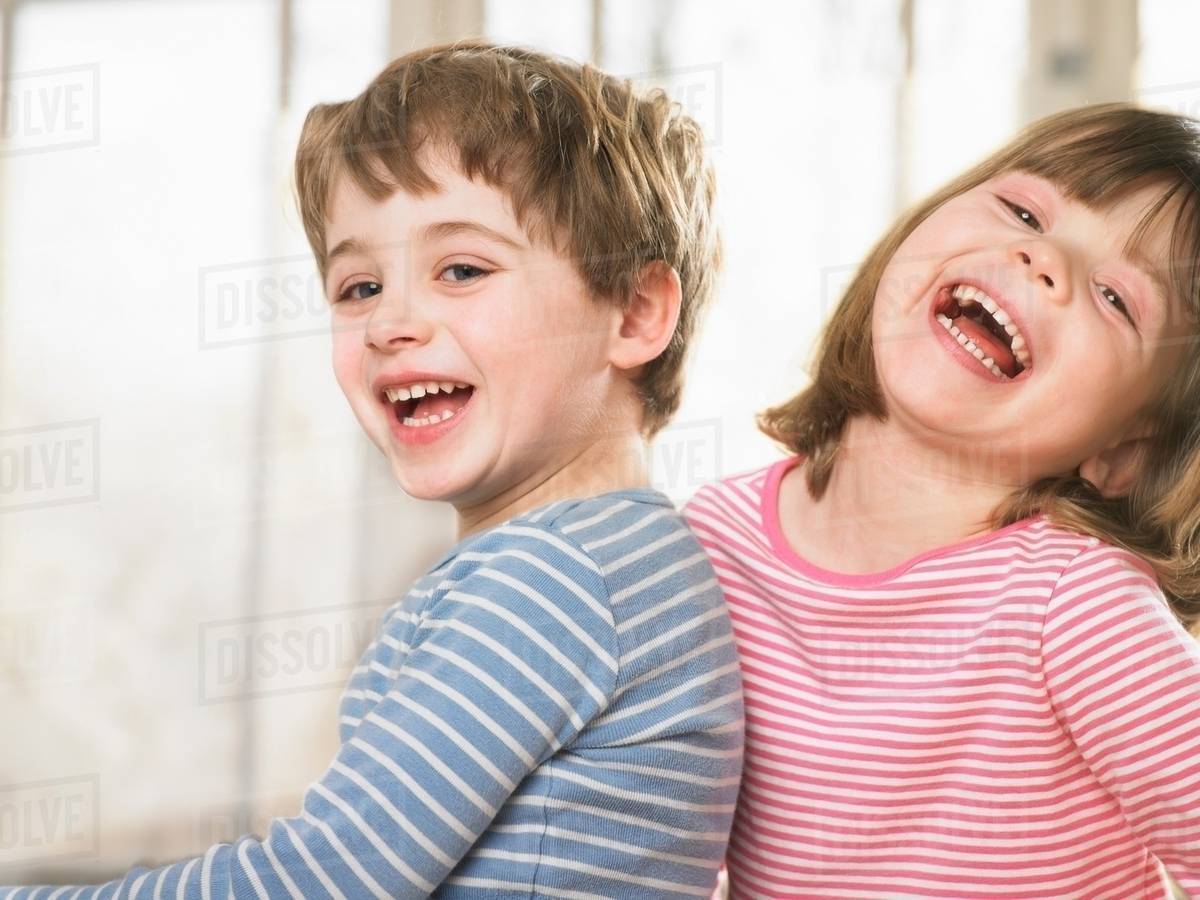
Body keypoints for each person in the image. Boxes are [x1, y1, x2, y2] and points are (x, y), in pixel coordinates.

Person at [3, 41, 743, 899]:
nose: (390, 323)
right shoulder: (627, 558)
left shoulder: (547, 578)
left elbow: (324, 880)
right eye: (358, 287)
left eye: (461, 269)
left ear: (637, 312)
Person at [683, 102, 1200, 899]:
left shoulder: (1076, 608)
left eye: (1115, 297)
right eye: (1023, 211)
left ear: (1128, 448)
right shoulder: (710, 543)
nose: (1043, 258)